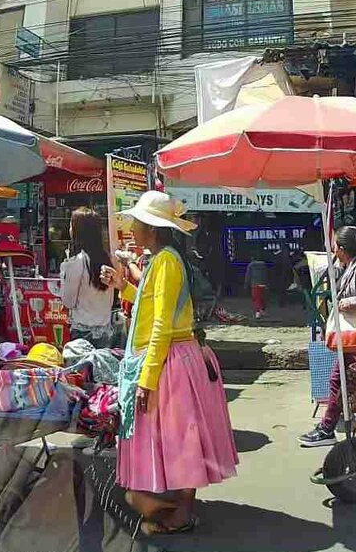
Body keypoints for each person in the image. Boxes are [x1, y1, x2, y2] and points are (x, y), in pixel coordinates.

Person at [100, 191, 237, 535]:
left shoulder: (166, 261)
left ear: (152, 228)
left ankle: (180, 514)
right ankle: (175, 506)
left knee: (180, 439)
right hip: (173, 357)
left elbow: (162, 323)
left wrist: (146, 379)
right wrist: (124, 287)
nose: (131, 227)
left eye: (136, 222)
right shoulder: (163, 259)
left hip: (171, 361)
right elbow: (156, 307)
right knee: (177, 438)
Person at [299, 226, 356, 447]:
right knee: (343, 382)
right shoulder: (349, 267)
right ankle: (330, 427)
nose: (333, 250)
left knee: (343, 382)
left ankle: (329, 427)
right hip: (355, 341)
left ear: (342, 248)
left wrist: (351, 302)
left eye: (335, 246)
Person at [59, 207, 113, 348]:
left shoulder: (76, 263)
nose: (70, 229)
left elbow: (68, 302)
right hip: (105, 331)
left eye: (72, 225)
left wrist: (63, 272)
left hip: (82, 333)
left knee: (81, 370)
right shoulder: (109, 260)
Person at [244, 251, 269, 320]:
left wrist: (246, 285)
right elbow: (266, 275)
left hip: (255, 284)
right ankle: (263, 311)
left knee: (256, 299)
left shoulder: (251, 265)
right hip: (263, 284)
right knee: (262, 298)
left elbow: (248, 276)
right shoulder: (264, 264)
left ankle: (258, 313)